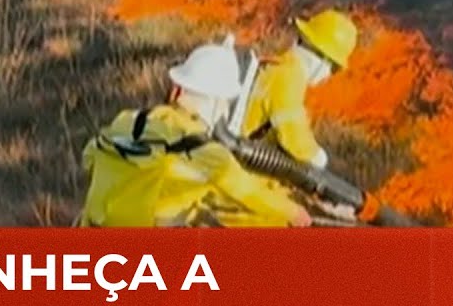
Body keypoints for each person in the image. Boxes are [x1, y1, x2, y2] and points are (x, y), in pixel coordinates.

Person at [79, 36, 312, 228]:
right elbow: (247, 192)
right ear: (215, 102)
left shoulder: (128, 119)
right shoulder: (205, 152)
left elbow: (88, 158)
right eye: (224, 104)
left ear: (178, 90)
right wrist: (294, 212)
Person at [237, 9, 358, 172]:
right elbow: (293, 135)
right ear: (323, 59)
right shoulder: (289, 76)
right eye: (333, 68)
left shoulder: (281, 65)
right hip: (236, 158)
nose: (329, 76)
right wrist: (317, 157)